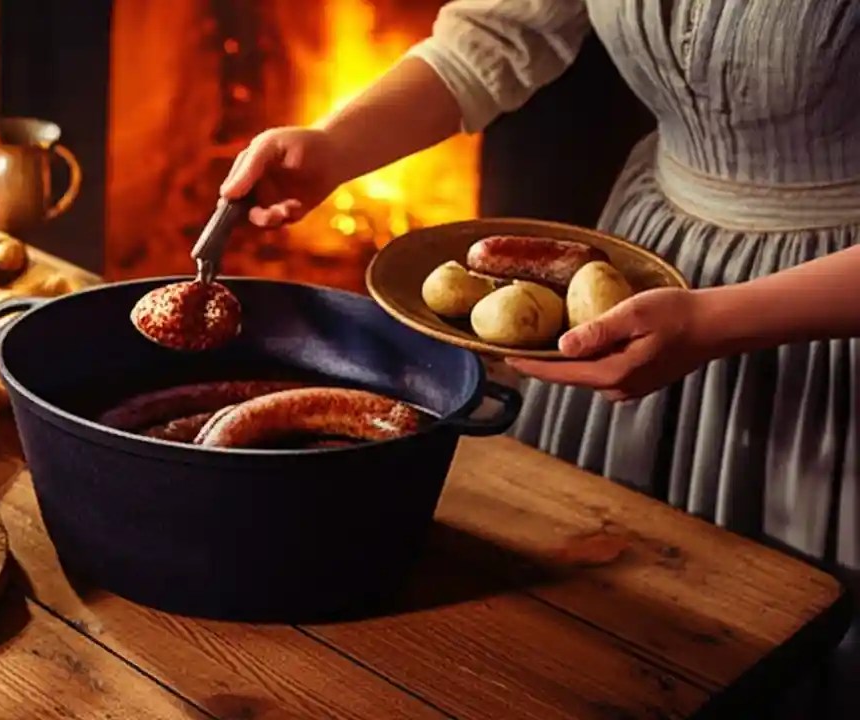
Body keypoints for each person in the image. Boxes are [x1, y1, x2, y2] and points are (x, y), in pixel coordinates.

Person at [220, 1, 859, 715]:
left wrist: (717, 321)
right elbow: (504, 30)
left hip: (828, 320)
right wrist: (336, 147)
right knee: (600, 635)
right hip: (636, 266)